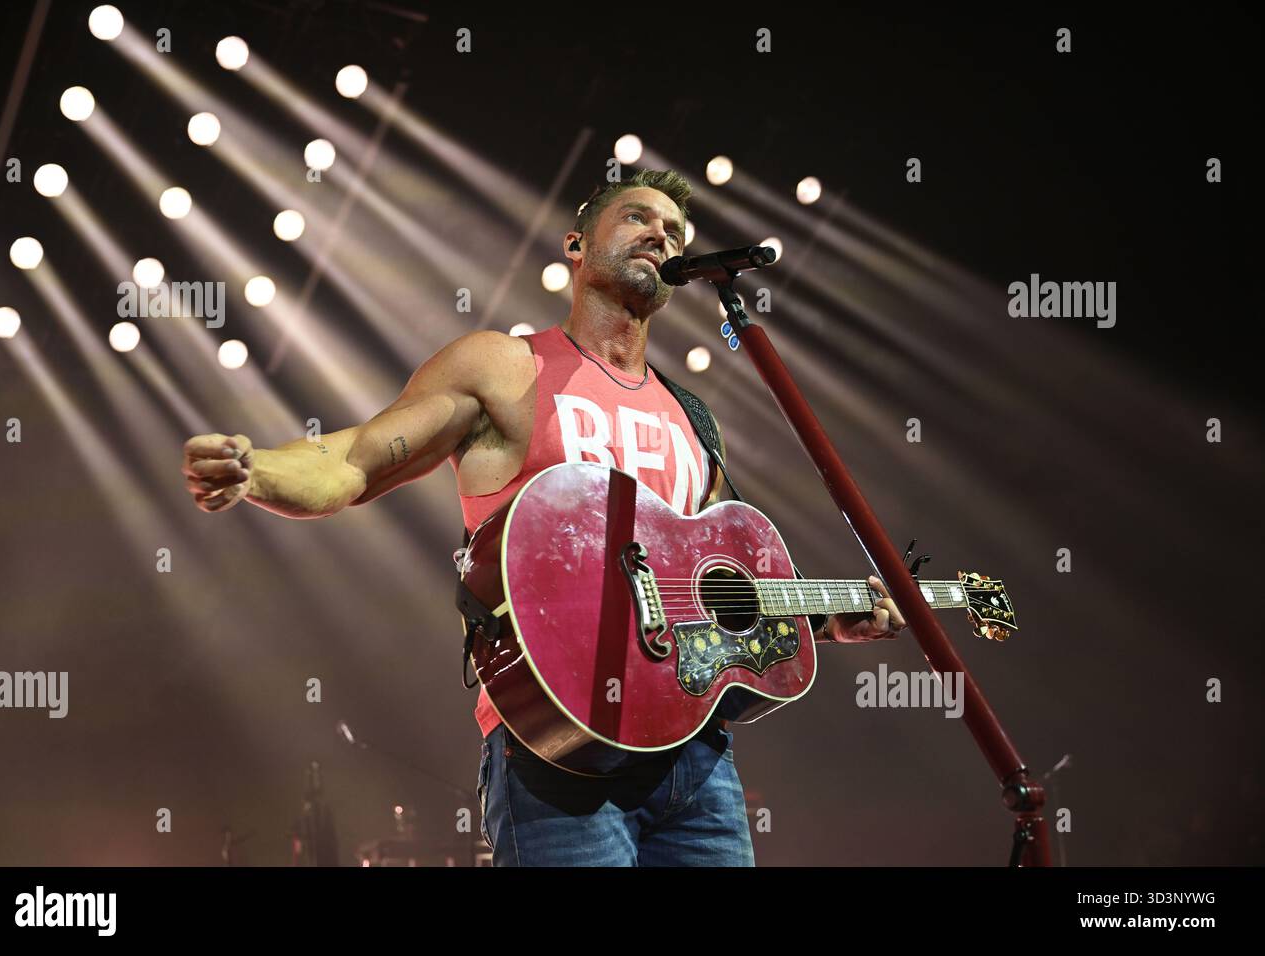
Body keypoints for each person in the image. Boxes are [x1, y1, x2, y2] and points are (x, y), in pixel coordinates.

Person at [180, 169, 905, 866]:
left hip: (696, 764)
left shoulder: (692, 420)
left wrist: (827, 615)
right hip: (560, 750)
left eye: (676, 230)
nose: (662, 234)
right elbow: (357, 459)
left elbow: (722, 580)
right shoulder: (506, 366)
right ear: (576, 245)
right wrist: (258, 469)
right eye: (639, 217)